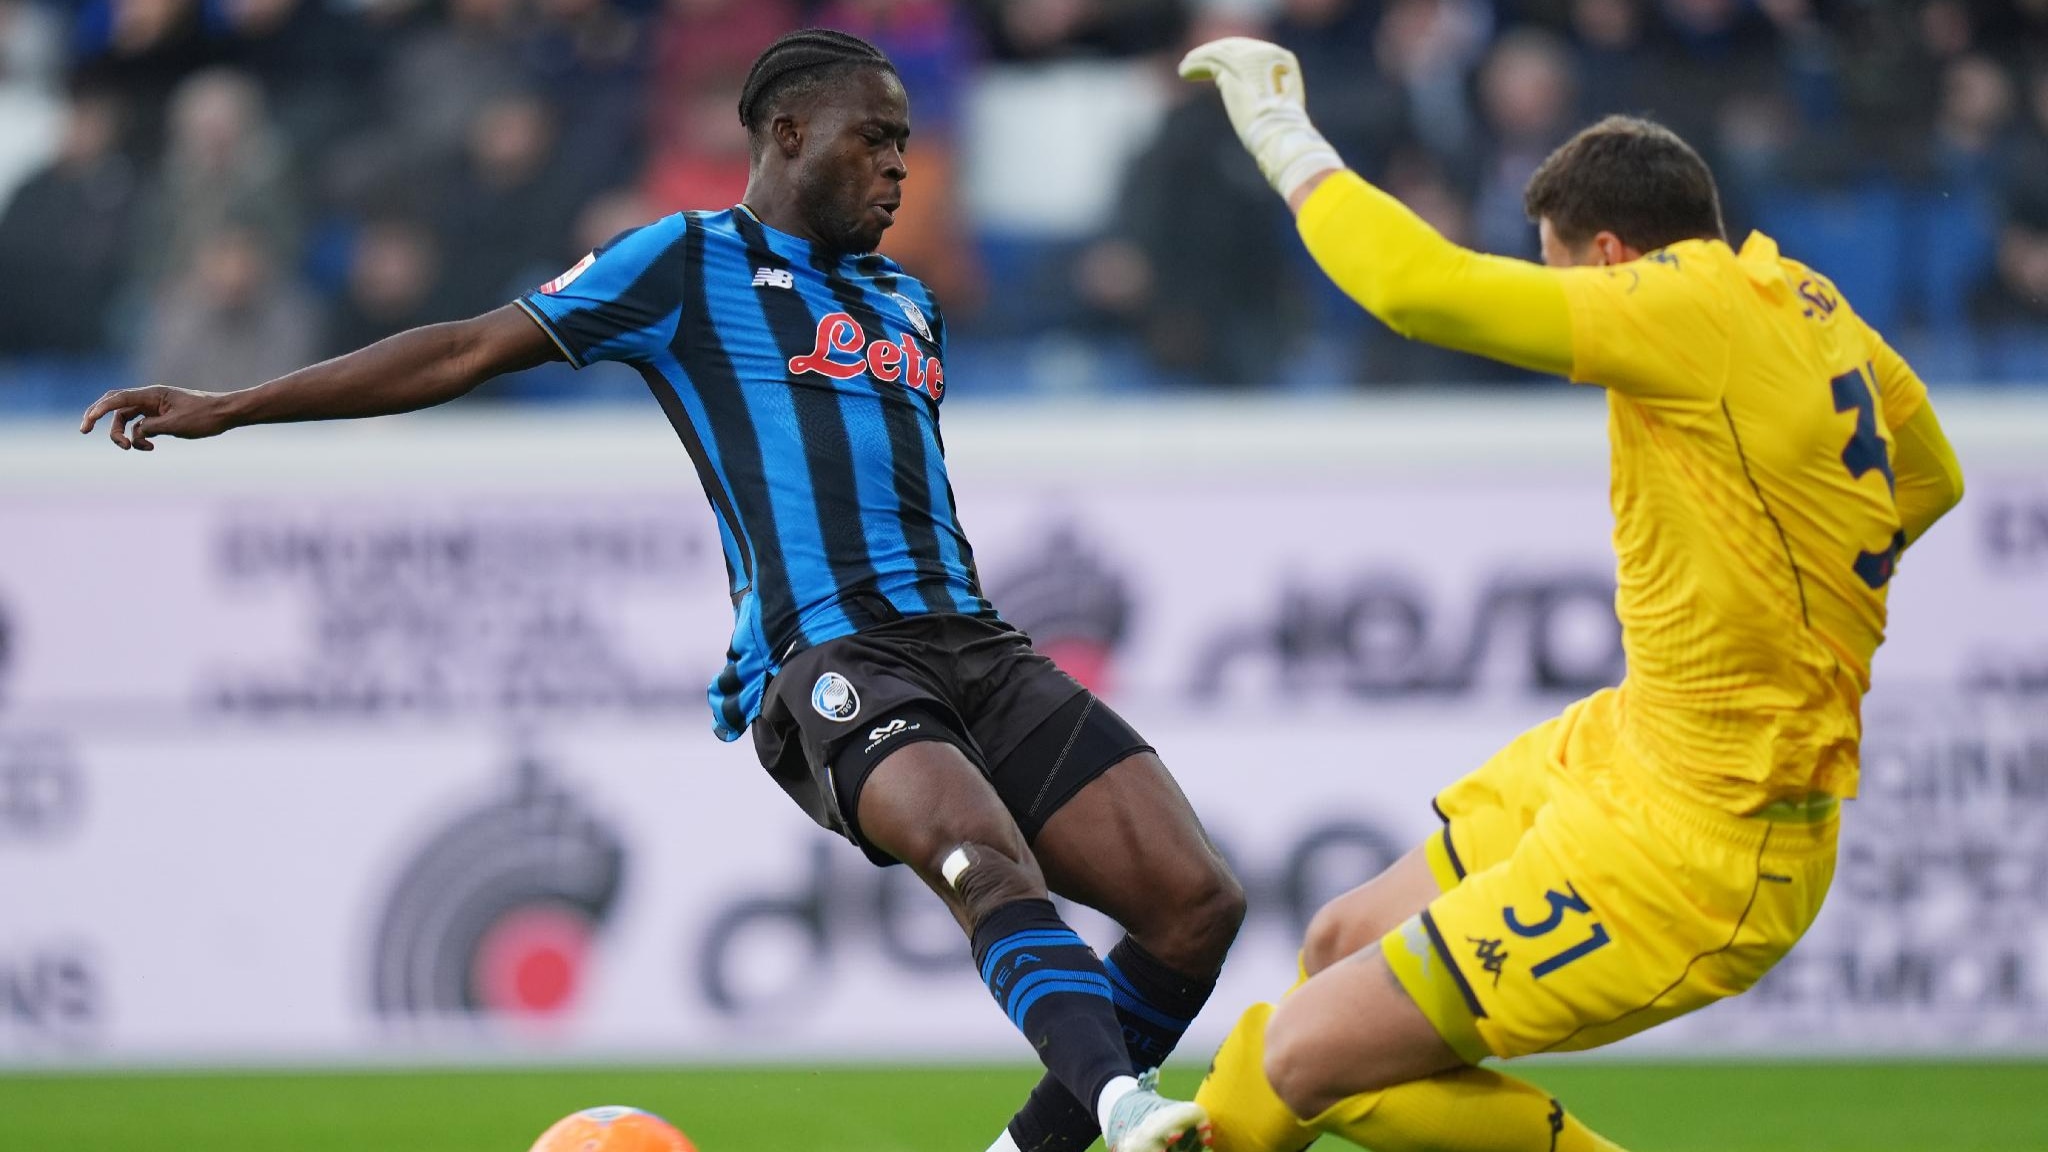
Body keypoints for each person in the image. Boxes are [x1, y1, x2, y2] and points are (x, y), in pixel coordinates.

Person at [79, 28, 1238, 1152]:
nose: (899, 164)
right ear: (787, 132)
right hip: (844, 662)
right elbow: (460, 352)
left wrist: (743, 610)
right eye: (874, 139)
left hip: (979, 648)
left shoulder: (905, 303)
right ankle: (1123, 1115)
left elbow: (845, 487)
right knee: (982, 863)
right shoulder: (685, 263)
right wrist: (233, 403)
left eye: (906, 140)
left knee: (1196, 905)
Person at [1177, 38, 1965, 1152]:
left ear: (1608, 256)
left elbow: (1415, 289)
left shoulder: (1671, 309)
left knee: (1299, 1056)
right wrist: (1791, 570)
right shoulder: (1796, 295)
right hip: (1630, 746)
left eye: (1554, 274)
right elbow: (1929, 476)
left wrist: (1281, 136)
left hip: (1707, 844)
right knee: (1339, 947)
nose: (1557, 305)